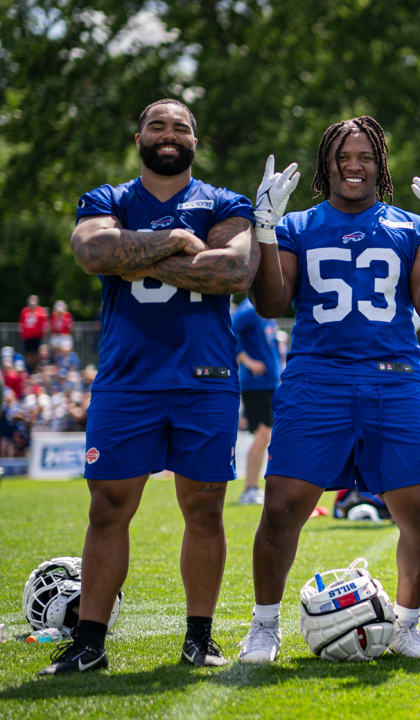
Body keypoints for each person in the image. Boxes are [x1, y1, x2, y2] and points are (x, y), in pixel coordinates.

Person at [42, 98, 256, 675]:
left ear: (195, 139)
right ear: (139, 135)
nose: (168, 134)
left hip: (204, 379)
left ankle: (199, 638)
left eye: (180, 126)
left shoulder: (226, 202)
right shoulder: (107, 198)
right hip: (127, 379)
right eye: (157, 125)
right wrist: (184, 244)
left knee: (205, 507)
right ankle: (89, 642)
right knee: (108, 508)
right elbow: (92, 251)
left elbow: (234, 271)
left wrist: (135, 258)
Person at [238, 115, 420, 664]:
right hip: (318, 377)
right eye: (342, 156)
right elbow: (271, 303)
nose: (353, 165)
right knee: (283, 506)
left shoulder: (411, 227)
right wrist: (263, 230)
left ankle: (407, 625)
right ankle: (264, 627)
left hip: (396, 378)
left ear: (380, 164)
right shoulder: (298, 225)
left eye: (364, 156)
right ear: (327, 165)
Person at [232, 296, 282, 505]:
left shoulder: (265, 309)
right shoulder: (247, 311)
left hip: (270, 383)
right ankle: (250, 488)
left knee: (265, 436)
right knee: (262, 434)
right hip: (256, 384)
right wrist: (249, 362)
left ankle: (254, 487)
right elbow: (228, 335)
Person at [19, 295, 47, 372]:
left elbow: (44, 325)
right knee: (28, 354)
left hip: (37, 337)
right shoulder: (24, 311)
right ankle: (29, 369)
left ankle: (35, 369)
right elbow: (21, 325)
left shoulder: (41, 311)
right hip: (27, 337)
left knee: (36, 354)